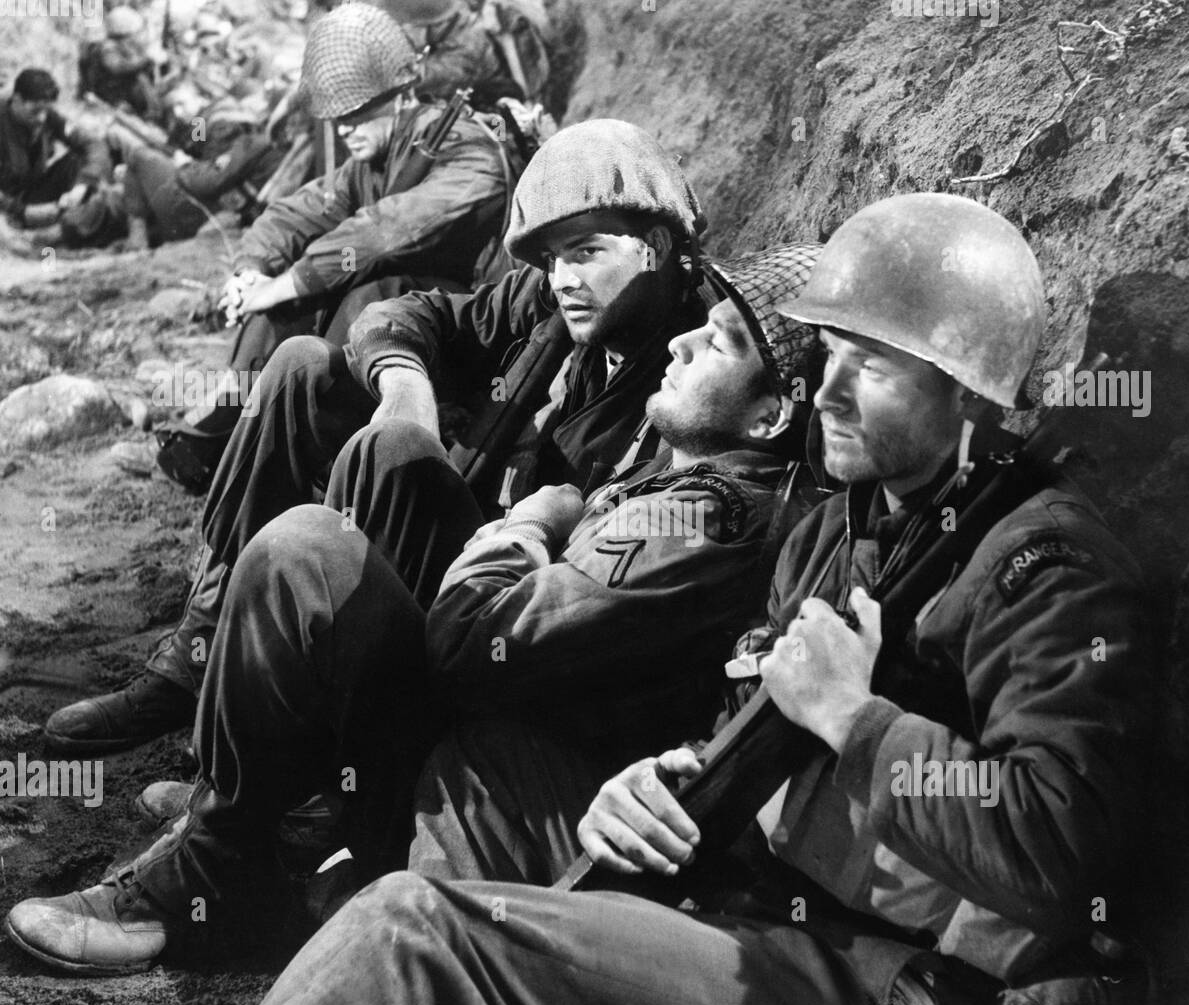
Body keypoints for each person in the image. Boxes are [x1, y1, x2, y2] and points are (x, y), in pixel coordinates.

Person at [221, 193, 1153, 1005]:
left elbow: (1060, 854)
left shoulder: (1048, 567)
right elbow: (747, 736)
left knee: (407, 931)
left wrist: (857, 722)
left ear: (968, 395)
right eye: (830, 356)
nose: (829, 391)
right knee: (482, 779)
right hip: (770, 901)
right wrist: (659, 783)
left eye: (869, 368)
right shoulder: (841, 526)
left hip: (913, 989)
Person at [3, 243, 825, 975]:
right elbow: (416, 316)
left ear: (772, 414)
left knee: (305, 554)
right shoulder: (687, 450)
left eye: (720, 342)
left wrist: (532, 519)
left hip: (491, 803)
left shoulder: (710, 514)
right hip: (498, 738)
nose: (685, 342)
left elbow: (471, 642)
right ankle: (275, 802)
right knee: (384, 458)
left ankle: (222, 869)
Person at [41, 117, 709, 764]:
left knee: (383, 458)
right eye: (554, 258)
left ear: (655, 242)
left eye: (588, 251)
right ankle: (199, 648)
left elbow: (597, 595)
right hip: (468, 522)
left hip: (493, 613)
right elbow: (411, 313)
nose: (563, 277)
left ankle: (298, 752)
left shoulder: (696, 381)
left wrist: (520, 526)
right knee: (302, 366)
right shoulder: (551, 300)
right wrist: (404, 382)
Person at [150, 1, 516, 493]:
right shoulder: (370, 161)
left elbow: (385, 229)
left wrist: (289, 281)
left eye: (357, 115)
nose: (344, 129)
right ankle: (233, 426)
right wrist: (251, 274)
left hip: (468, 337)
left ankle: (317, 451)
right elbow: (289, 214)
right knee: (295, 299)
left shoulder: (468, 148)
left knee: (374, 290)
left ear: (400, 95)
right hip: (398, 334)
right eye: (337, 118)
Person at [117, 85, 285, 251]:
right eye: (175, 108)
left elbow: (210, 173)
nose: (178, 112)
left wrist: (186, 163)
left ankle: (138, 239)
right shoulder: (207, 119)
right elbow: (196, 148)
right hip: (221, 200)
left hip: (214, 207)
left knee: (138, 157)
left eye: (181, 104)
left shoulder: (222, 124)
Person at [0, 69, 113, 234]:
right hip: (8, 205)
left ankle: (75, 221)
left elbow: (93, 144)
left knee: (78, 160)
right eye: (35, 112)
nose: (41, 118)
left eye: (45, 111)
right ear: (16, 100)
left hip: (33, 190)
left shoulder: (46, 114)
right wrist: (21, 211)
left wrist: (82, 184)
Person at [78, 5, 166, 122]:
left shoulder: (119, 46)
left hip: (118, 96)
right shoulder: (107, 48)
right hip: (110, 99)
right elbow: (118, 67)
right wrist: (147, 59)